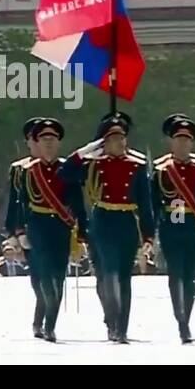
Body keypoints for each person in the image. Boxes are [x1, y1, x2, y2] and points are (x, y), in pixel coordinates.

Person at [61, 112, 155, 344]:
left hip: (126, 222)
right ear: (104, 142)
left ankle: (121, 327)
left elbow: (146, 204)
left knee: (123, 277)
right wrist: (86, 150)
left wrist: (148, 235)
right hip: (102, 221)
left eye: (122, 138)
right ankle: (111, 319)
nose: (120, 143)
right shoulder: (93, 164)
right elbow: (64, 174)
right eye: (113, 139)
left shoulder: (137, 165)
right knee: (108, 273)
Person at [151, 113, 195, 343]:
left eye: (186, 140)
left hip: (193, 225)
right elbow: (153, 202)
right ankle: (180, 319)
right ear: (171, 142)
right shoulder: (161, 169)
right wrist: (150, 230)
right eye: (178, 139)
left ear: (192, 142)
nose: (183, 143)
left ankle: (186, 318)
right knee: (175, 273)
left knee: (190, 276)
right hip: (171, 224)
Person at [16, 118, 85, 342]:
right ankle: (44, 324)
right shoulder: (29, 171)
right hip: (38, 228)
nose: (48, 143)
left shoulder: (68, 170)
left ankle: (50, 324)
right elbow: (21, 203)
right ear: (36, 141)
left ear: (59, 143)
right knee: (44, 278)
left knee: (58, 277)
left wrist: (82, 233)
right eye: (44, 139)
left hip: (62, 229)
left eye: (53, 139)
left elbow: (78, 204)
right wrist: (19, 233)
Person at [6, 116, 48, 338]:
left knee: (54, 281)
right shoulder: (20, 169)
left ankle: (47, 321)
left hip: (55, 231)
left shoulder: (57, 166)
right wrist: (15, 233)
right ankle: (39, 322)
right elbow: (14, 203)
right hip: (29, 232)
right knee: (39, 280)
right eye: (36, 138)